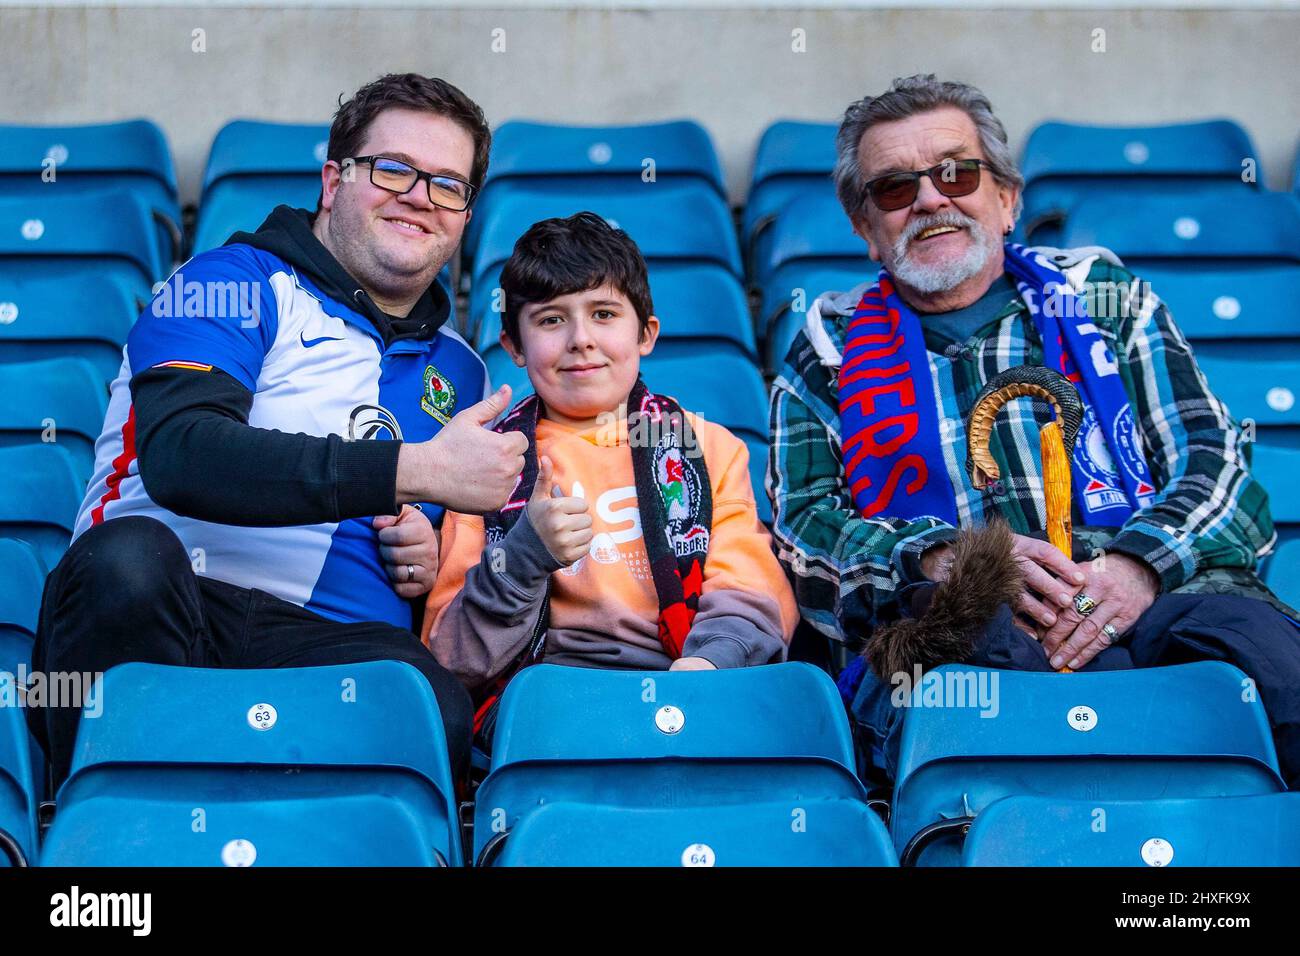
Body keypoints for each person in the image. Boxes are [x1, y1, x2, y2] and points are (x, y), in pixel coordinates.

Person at [768, 74, 1300, 786]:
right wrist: (948, 561)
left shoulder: (1105, 298)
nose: (931, 199)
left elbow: (1217, 467)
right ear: (866, 229)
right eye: (895, 189)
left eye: (956, 173)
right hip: (954, 618)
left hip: (1158, 586)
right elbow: (804, 526)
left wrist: (1133, 571)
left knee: (1266, 654)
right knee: (1012, 704)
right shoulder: (828, 345)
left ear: (1008, 198)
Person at [30, 73, 530, 785]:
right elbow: (182, 457)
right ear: (333, 181)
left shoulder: (462, 371)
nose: (420, 196)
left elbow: (444, 563)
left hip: (331, 645)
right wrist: (410, 470)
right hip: (173, 606)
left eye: (447, 185)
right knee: (128, 563)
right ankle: (118, 823)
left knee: (430, 705)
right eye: (394, 170)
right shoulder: (227, 282)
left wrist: (428, 556)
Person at [425, 213, 798, 739]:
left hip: (695, 685)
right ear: (513, 346)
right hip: (549, 706)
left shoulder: (709, 447)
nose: (581, 339)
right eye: (551, 320)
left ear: (645, 333)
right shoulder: (487, 463)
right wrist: (525, 555)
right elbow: (456, 656)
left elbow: (750, 591)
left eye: (603, 314)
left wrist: (709, 665)